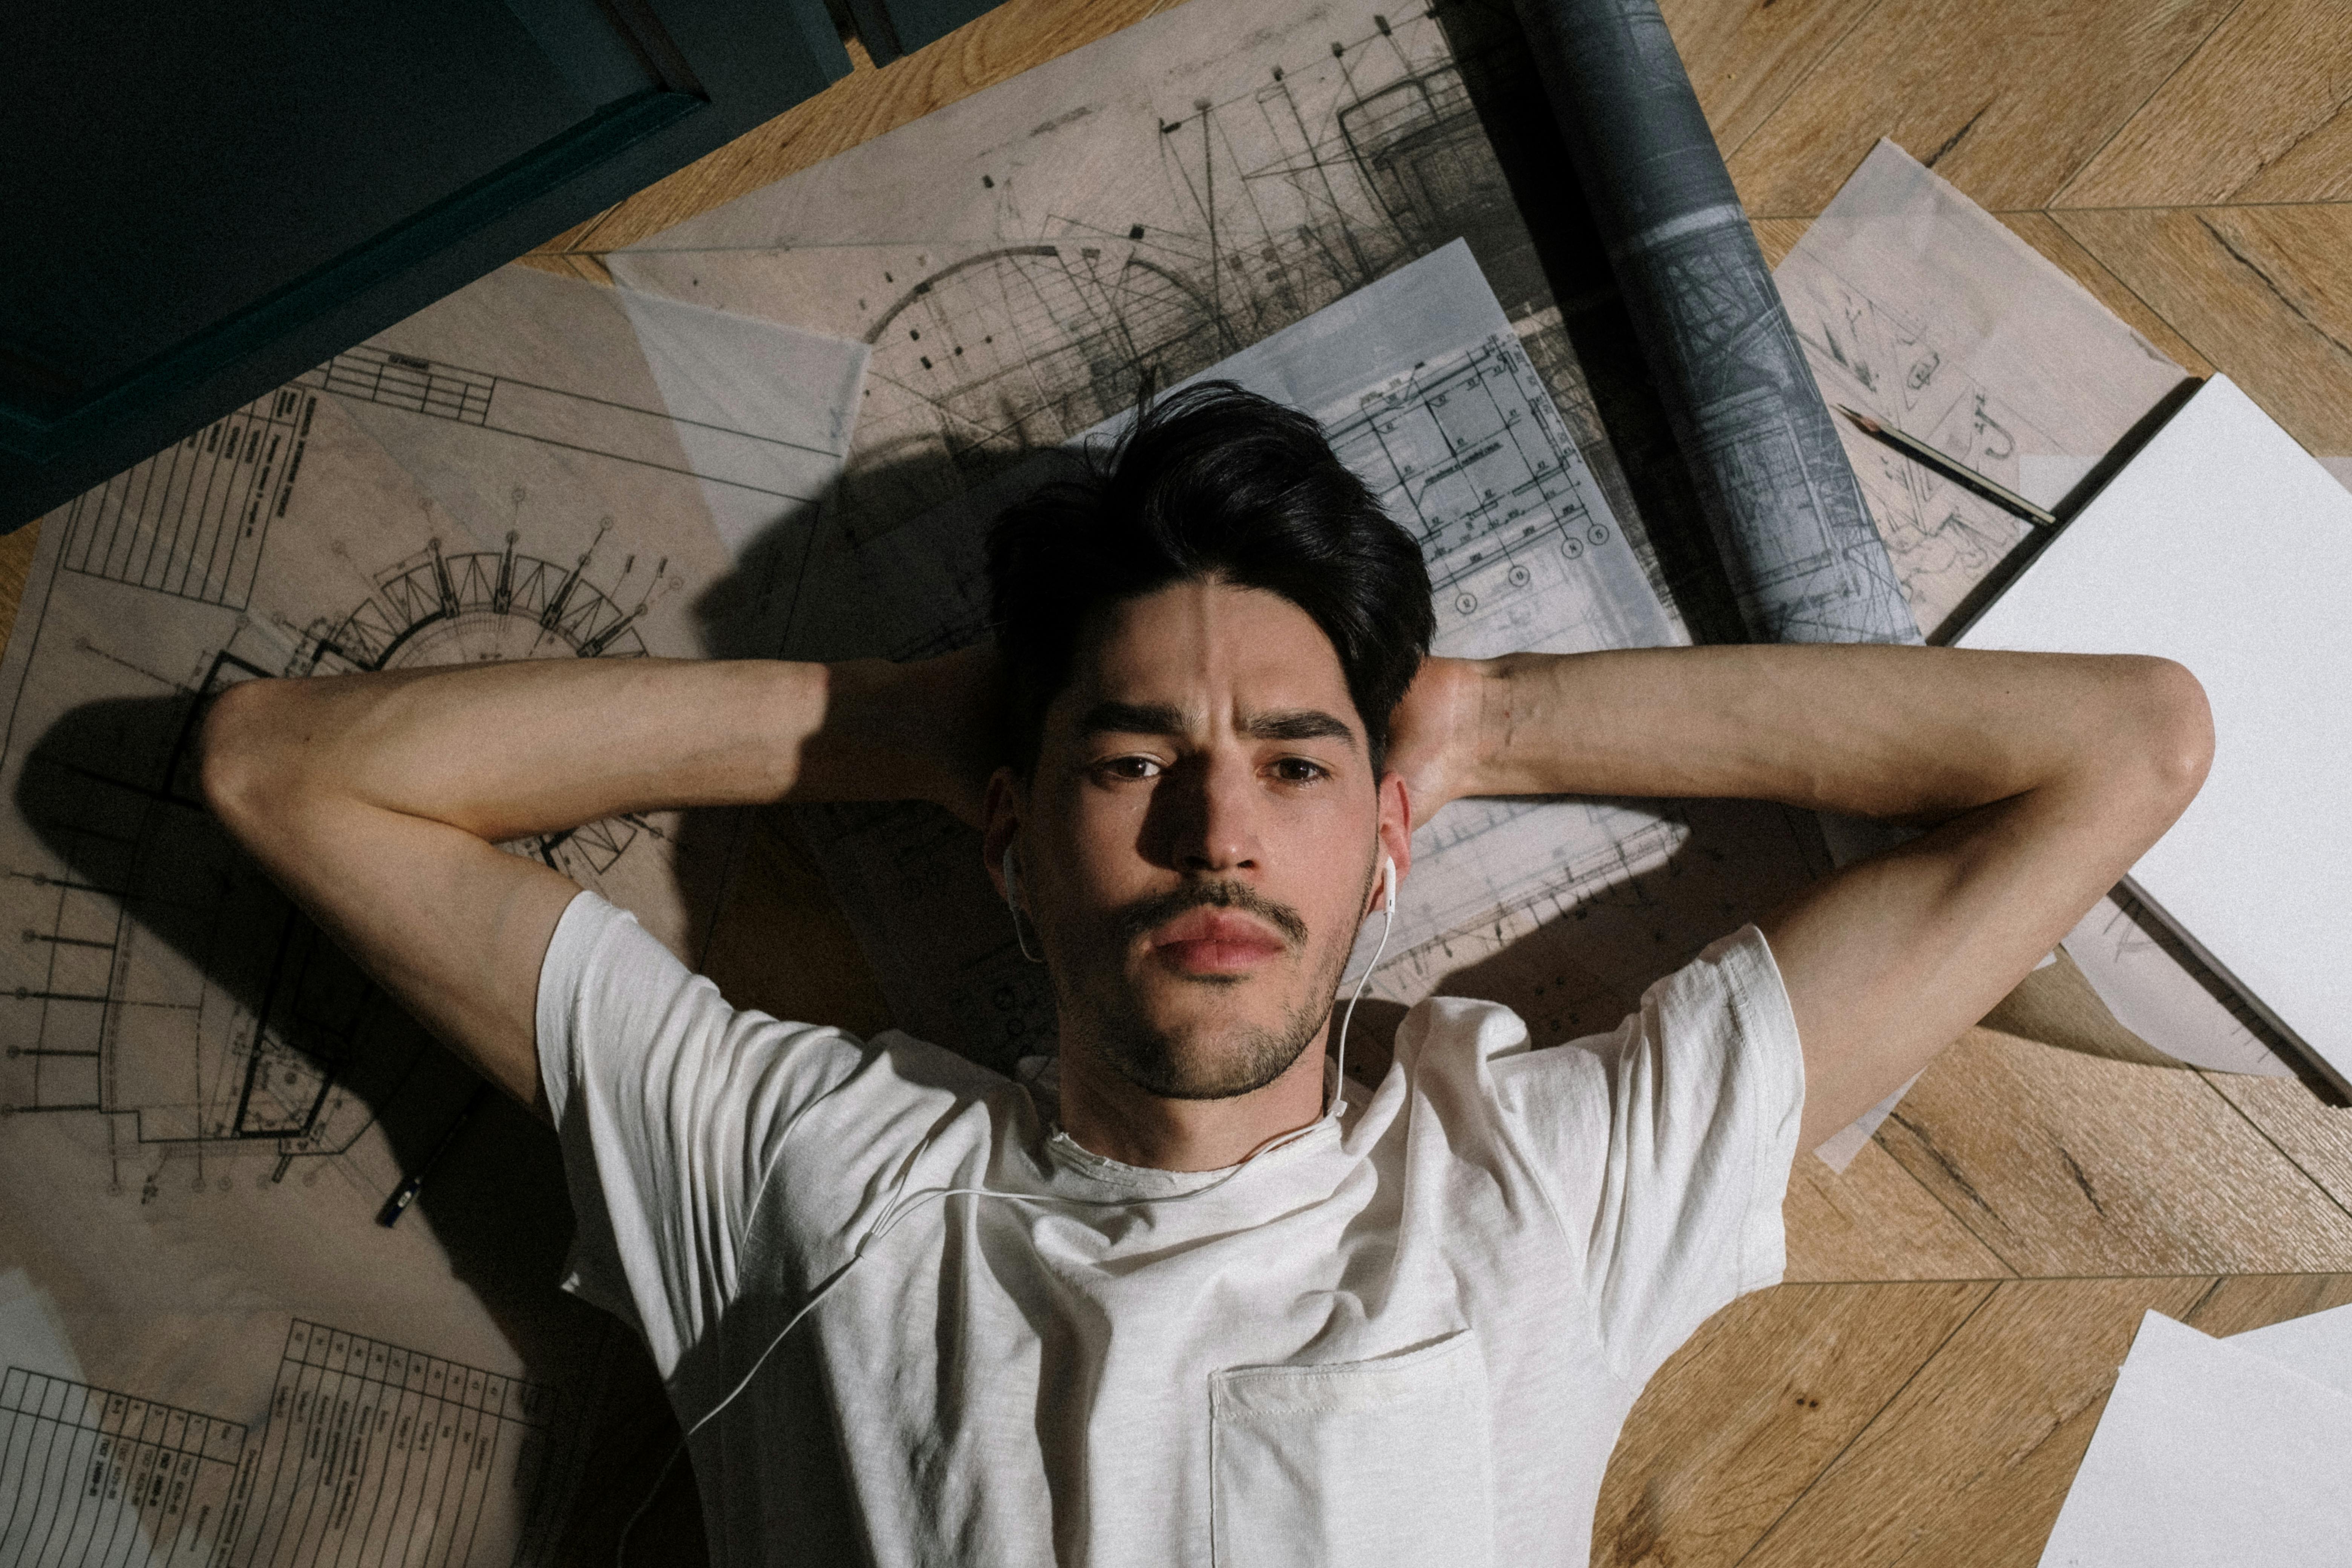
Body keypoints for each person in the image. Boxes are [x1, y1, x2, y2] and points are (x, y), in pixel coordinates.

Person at [199, 382, 2211, 1566]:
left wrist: (1492, 717)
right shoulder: (806, 1177)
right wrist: (909, 728)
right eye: (1137, 763)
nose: (1219, 830)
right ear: (1014, 830)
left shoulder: (1539, 1180)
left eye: (1296, 765)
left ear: (1384, 833)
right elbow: (287, 775)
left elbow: (2126, 745)